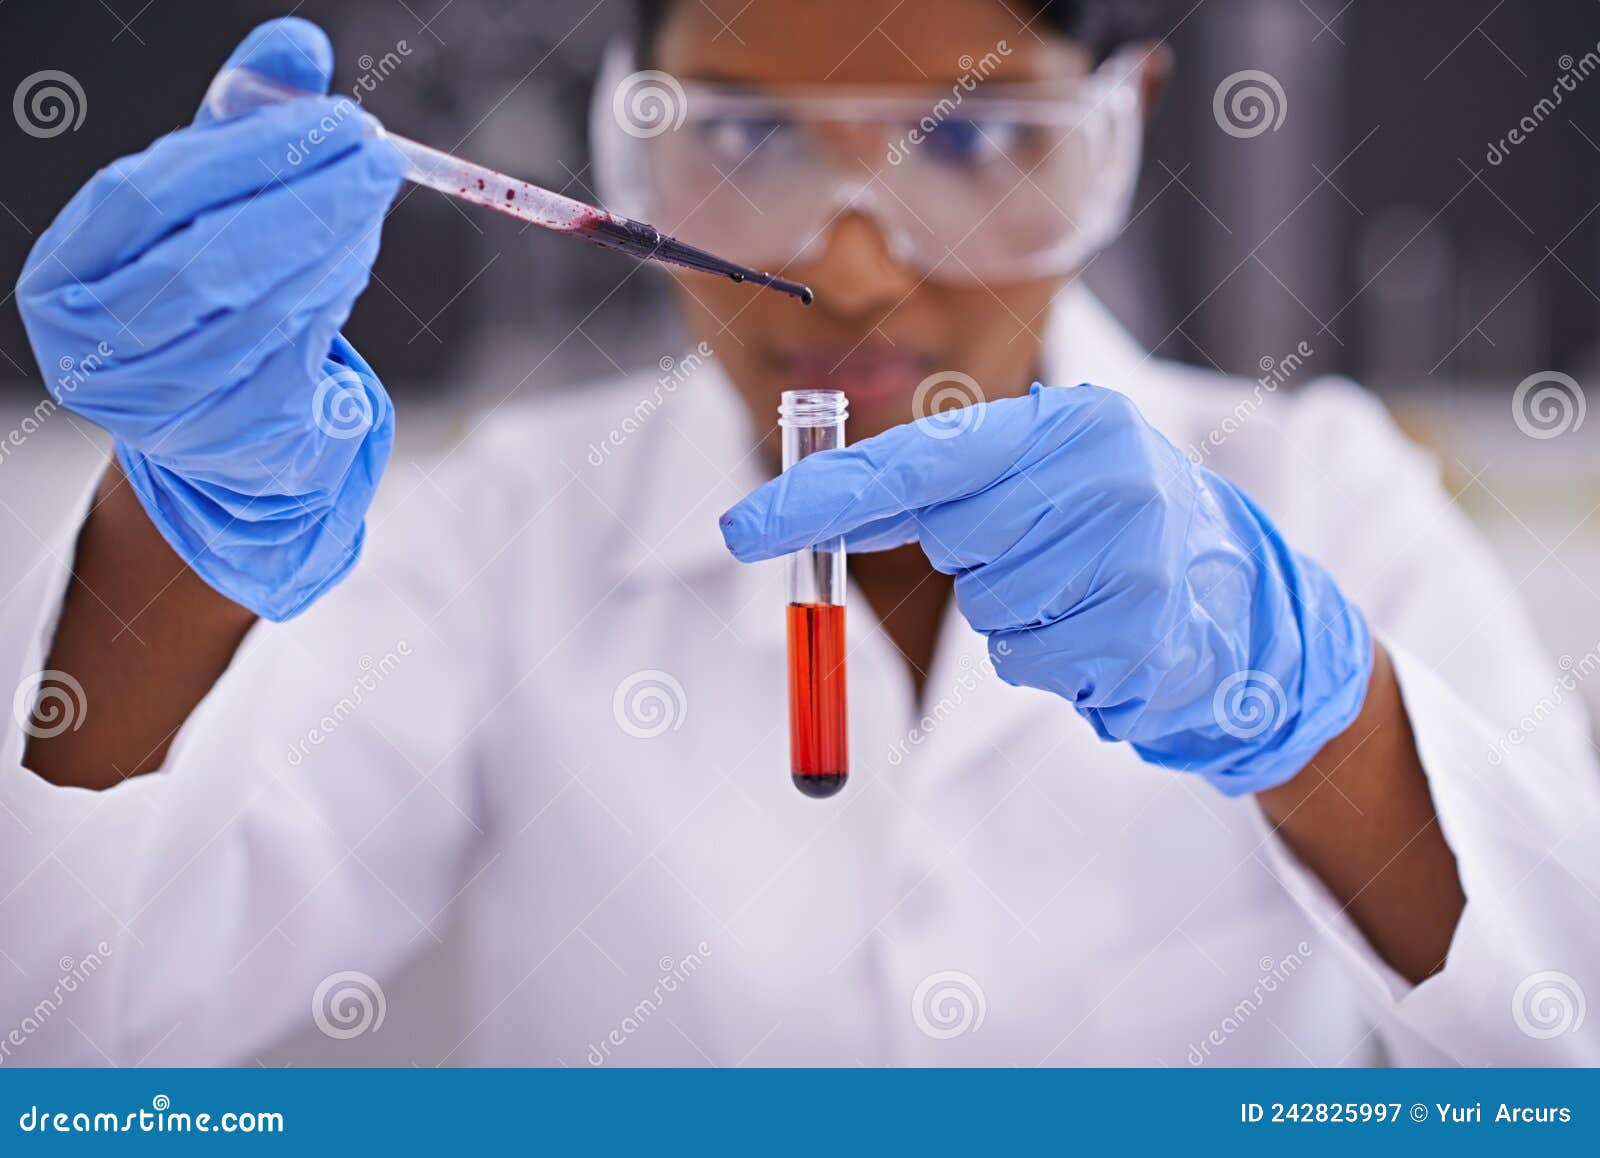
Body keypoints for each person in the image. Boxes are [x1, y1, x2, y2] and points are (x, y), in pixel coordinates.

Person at [2, 3, 1596, 1067]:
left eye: (970, 142)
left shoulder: (1312, 493)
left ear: (1120, 127)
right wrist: (176, 531)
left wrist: (1317, 724)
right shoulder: (507, 526)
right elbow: (64, 1027)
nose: (847, 270)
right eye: (749, 141)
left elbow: (1568, 1029)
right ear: (625, 136)